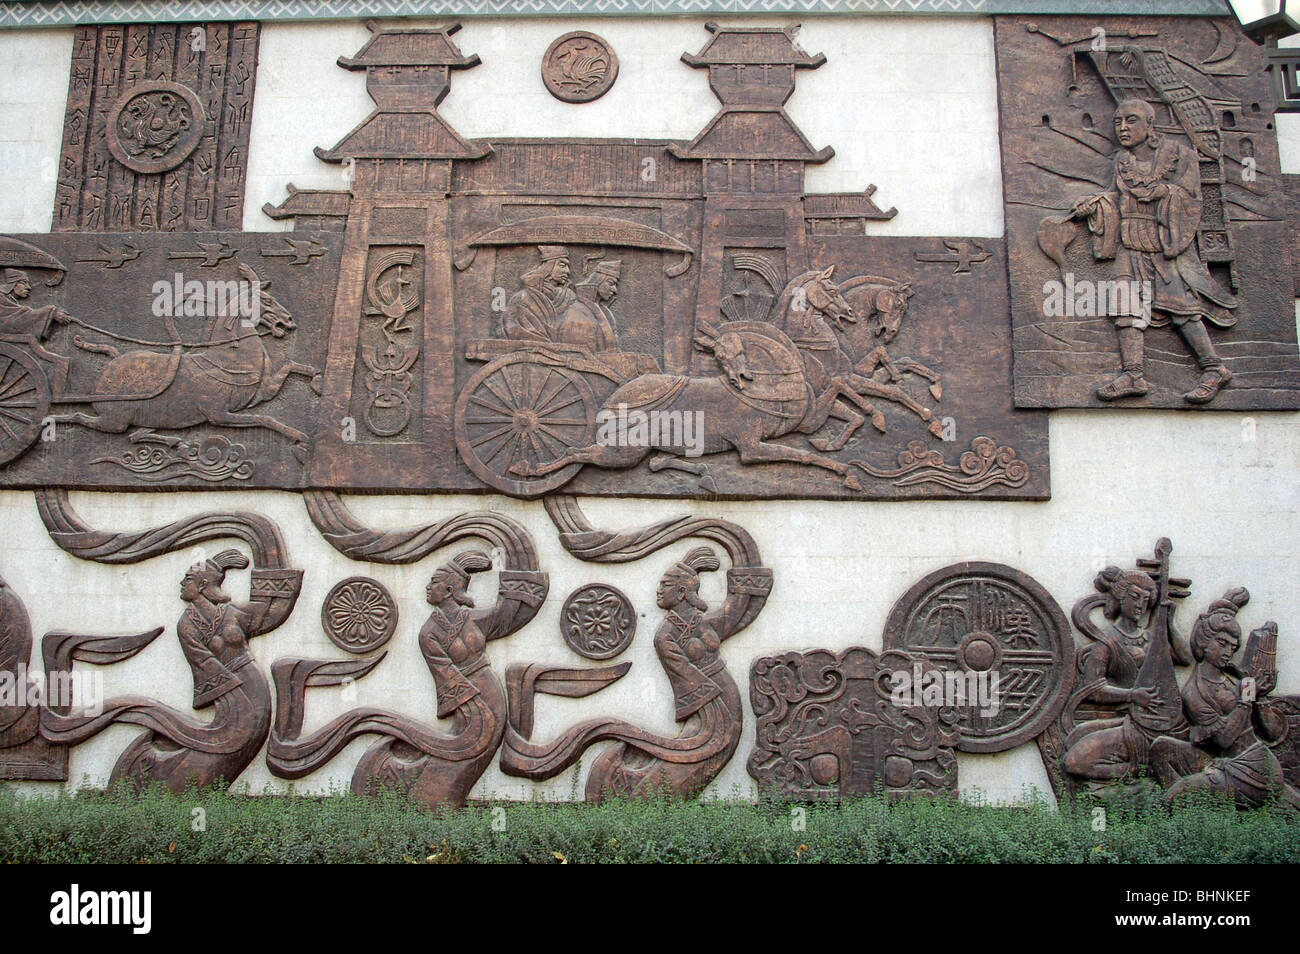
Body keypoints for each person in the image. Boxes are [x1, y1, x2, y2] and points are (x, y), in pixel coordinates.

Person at [1070, 99, 1237, 404]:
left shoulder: (1178, 155)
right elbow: (1116, 195)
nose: (1122, 128)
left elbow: (1190, 196)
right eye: (1117, 122)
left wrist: (1167, 192)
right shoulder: (1123, 161)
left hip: (1164, 246)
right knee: (1126, 309)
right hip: (1130, 246)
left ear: (1149, 125)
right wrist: (1095, 203)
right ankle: (1133, 375)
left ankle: (1214, 368)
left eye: (1131, 121)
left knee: (1182, 311)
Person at [1151, 596, 1300, 810]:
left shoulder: (1238, 680)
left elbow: (1273, 733)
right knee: (1161, 747)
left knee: (1176, 795)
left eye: (1233, 646)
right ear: (1203, 642)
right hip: (1226, 760)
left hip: (1255, 769)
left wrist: (1260, 700)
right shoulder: (1194, 692)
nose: (1229, 651)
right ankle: (1197, 812)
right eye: (1222, 643)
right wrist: (1247, 698)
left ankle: (1191, 811)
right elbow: (1224, 740)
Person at [1062, 564, 1192, 784]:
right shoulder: (1108, 640)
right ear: (1121, 598)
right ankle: (1138, 771)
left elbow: (1185, 659)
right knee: (1073, 761)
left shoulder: (1152, 638)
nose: (1141, 604)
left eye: (1145, 599)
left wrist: (1169, 623)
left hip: (1165, 719)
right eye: (1135, 597)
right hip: (1130, 721)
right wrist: (1131, 695)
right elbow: (1092, 688)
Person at [0, 268, 71, 395]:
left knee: (60, 361)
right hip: (9, 340)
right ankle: (57, 399)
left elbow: (19, 315)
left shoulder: (8, 300)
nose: (29, 287)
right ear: (13, 284)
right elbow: (15, 320)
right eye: (24, 283)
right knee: (58, 362)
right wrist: (50, 311)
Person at [502, 245, 575, 342]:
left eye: (568, 266)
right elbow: (511, 329)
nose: (567, 271)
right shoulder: (522, 298)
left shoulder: (570, 297)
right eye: (562, 265)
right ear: (549, 266)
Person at [555, 260, 621, 352]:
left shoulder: (604, 311)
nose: (614, 290)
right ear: (598, 281)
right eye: (610, 283)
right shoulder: (577, 313)